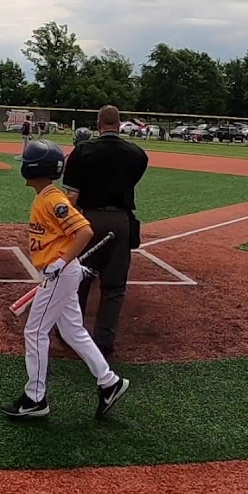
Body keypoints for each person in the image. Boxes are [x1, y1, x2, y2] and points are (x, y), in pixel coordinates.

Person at [1, 138, 130, 420]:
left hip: (58, 274)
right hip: (60, 273)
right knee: (73, 332)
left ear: (34, 168)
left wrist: (61, 261)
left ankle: (35, 398)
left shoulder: (53, 199)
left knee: (34, 332)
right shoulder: (46, 197)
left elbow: (84, 230)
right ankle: (109, 382)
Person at [62, 105, 149, 359]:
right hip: (120, 221)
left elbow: (73, 196)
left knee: (79, 279)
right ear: (120, 124)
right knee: (114, 286)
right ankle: (104, 342)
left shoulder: (82, 151)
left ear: (98, 124)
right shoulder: (136, 154)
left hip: (87, 221)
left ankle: (72, 335)